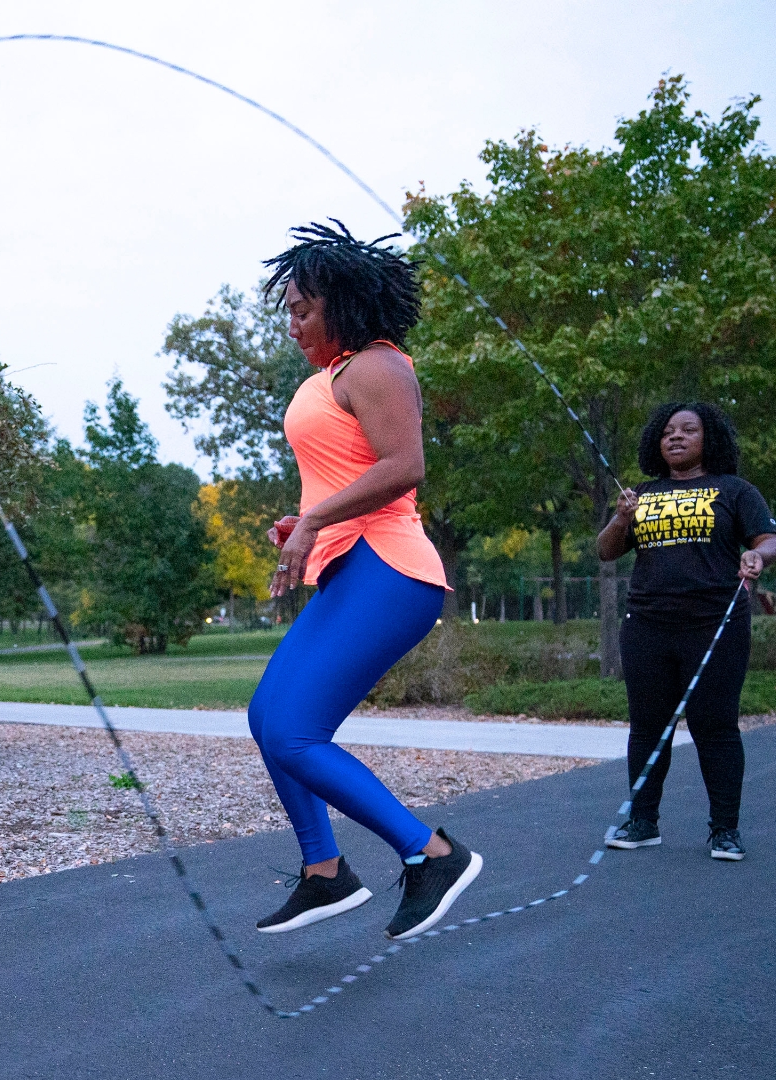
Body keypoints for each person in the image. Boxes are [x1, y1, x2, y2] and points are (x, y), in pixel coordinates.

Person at [246, 222, 483, 942]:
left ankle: (432, 854)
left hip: (391, 568)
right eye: (289, 312)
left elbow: (404, 467)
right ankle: (325, 871)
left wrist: (319, 519)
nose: (292, 325)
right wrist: (307, 521)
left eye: (302, 310)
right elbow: (350, 472)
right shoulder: (337, 376)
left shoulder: (377, 365)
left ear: (342, 305)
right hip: (355, 565)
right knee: (269, 718)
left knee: (295, 730)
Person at [597, 402, 776, 861]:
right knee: (647, 727)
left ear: (708, 438)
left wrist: (758, 556)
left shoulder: (735, 490)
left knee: (714, 726)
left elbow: (769, 539)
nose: (675, 437)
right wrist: (621, 519)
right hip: (647, 625)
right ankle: (643, 823)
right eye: (667, 432)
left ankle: (724, 830)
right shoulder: (640, 495)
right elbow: (606, 551)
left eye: (688, 430)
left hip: (715, 624)